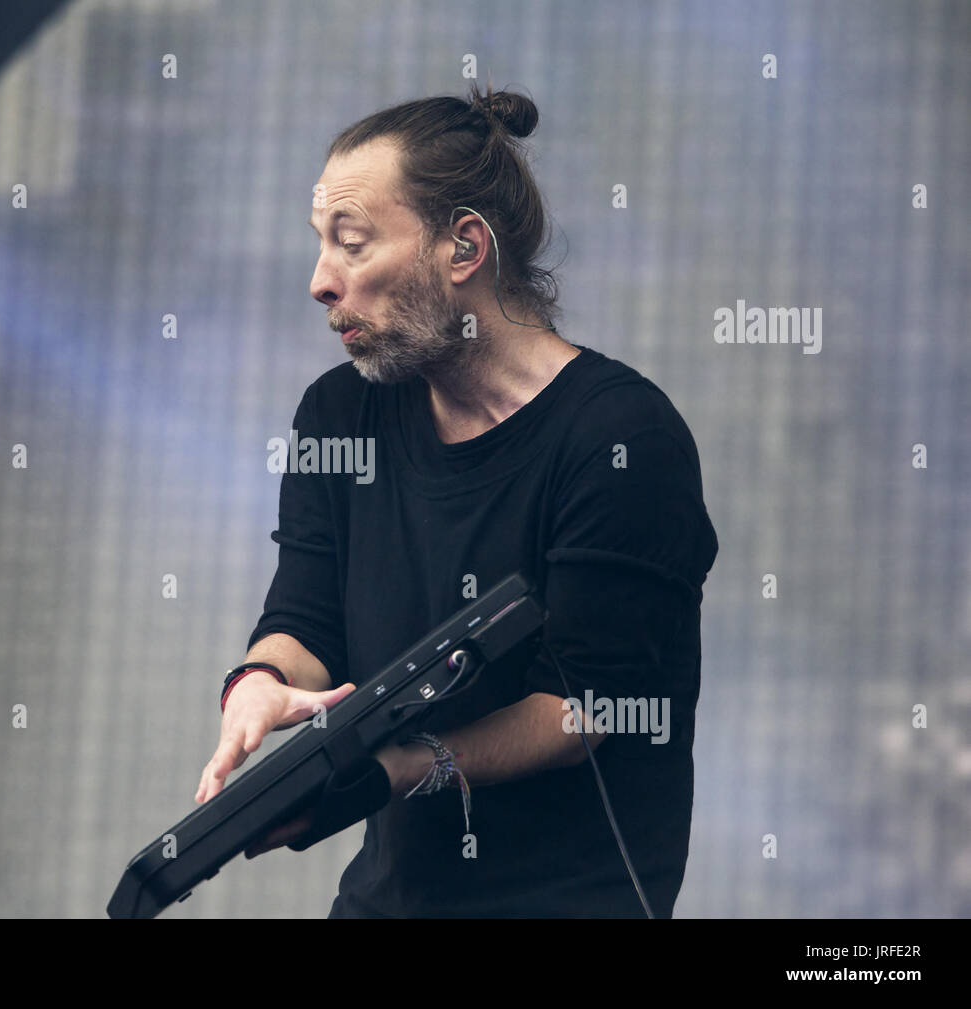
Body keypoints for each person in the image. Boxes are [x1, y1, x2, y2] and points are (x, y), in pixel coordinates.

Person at [195, 84, 719, 918]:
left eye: (352, 243)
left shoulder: (622, 438)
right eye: (318, 243)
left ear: (464, 247)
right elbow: (307, 616)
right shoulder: (341, 414)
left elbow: (583, 710)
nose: (320, 282)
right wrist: (259, 680)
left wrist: (399, 765)